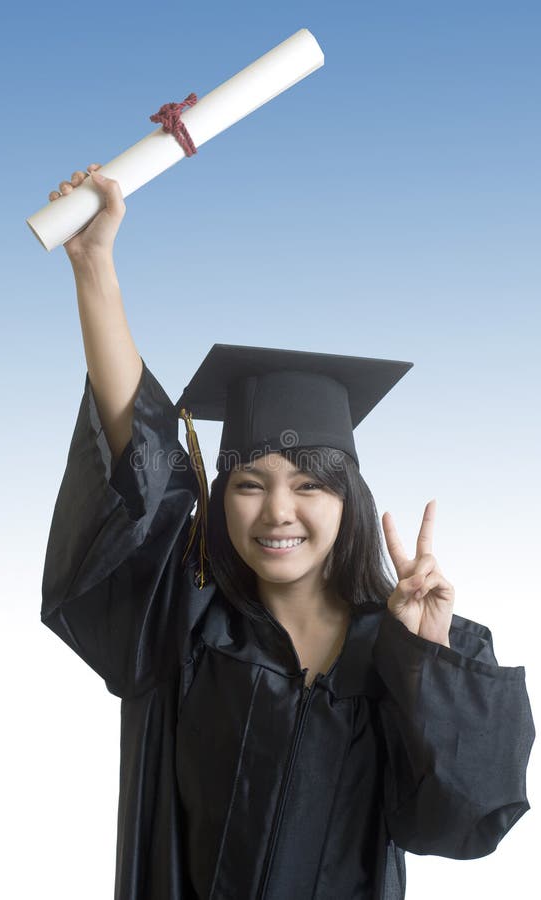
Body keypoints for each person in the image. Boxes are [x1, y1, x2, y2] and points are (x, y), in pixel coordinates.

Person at [41, 165, 535, 900]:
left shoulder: (402, 656)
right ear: (220, 498)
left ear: (349, 502)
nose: (278, 511)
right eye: (249, 483)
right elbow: (139, 460)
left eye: (309, 486)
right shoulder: (186, 624)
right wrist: (94, 267)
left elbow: (455, 823)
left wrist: (427, 659)